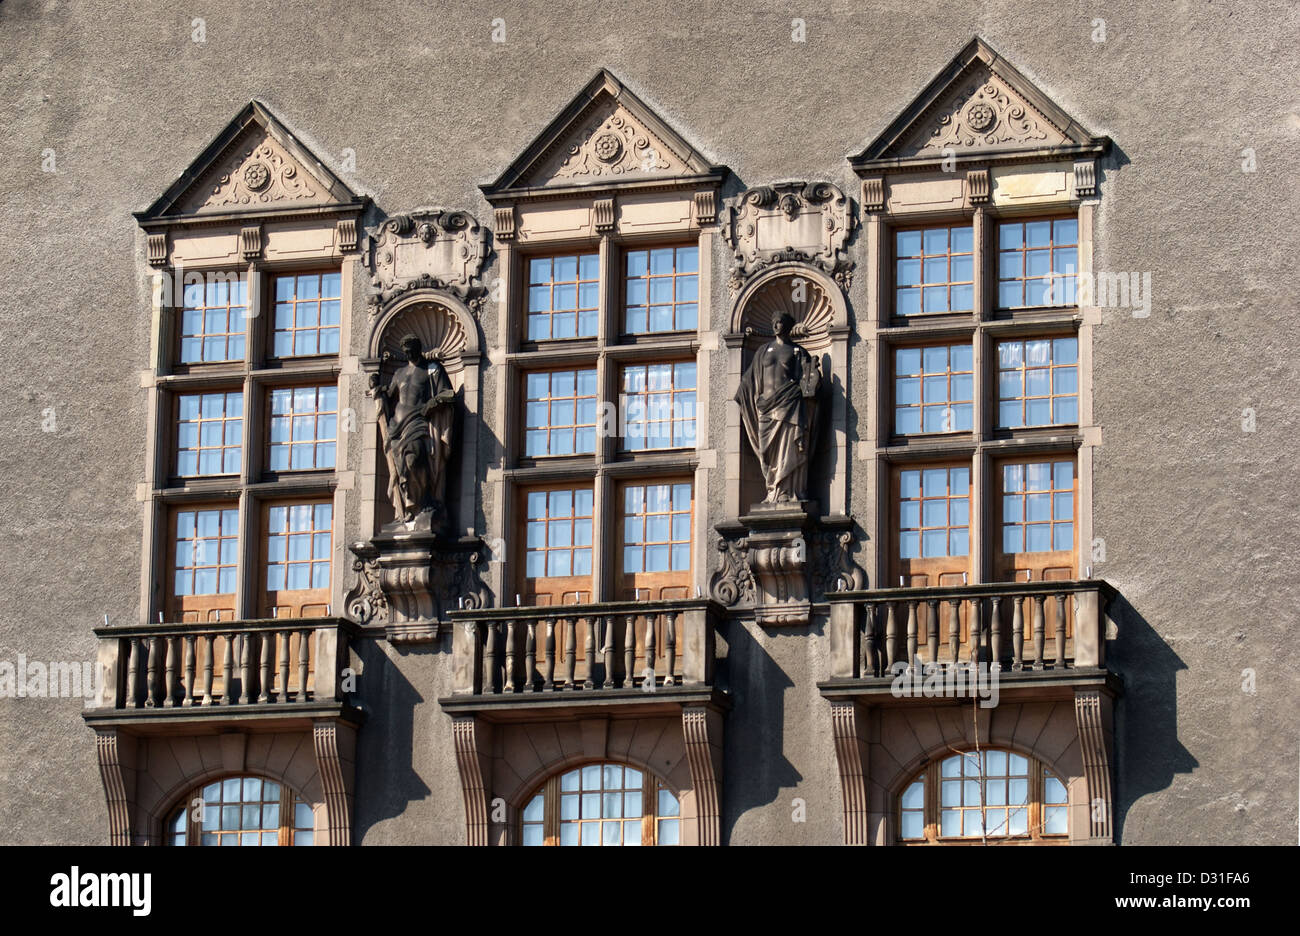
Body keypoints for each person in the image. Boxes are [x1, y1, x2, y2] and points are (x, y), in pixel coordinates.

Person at [735, 311, 820, 504]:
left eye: (780, 322)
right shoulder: (763, 351)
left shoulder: (797, 352)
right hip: (765, 407)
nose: (776, 325)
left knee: (790, 447)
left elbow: (808, 380)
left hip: (790, 402)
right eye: (774, 322)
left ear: (788, 326)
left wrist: (815, 379)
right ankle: (772, 491)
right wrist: (744, 391)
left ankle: (790, 492)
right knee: (767, 451)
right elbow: (751, 378)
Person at [369, 334, 455, 524]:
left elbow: (448, 394)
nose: (408, 353)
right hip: (396, 426)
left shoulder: (432, 370)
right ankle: (408, 509)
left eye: (411, 349)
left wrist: (431, 404)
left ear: (418, 348)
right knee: (401, 470)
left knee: (414, 460)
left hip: (418, 422)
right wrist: (376, 387)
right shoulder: (399, 373)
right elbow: (389, 395)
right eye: (405, 350)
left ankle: (426, 501)